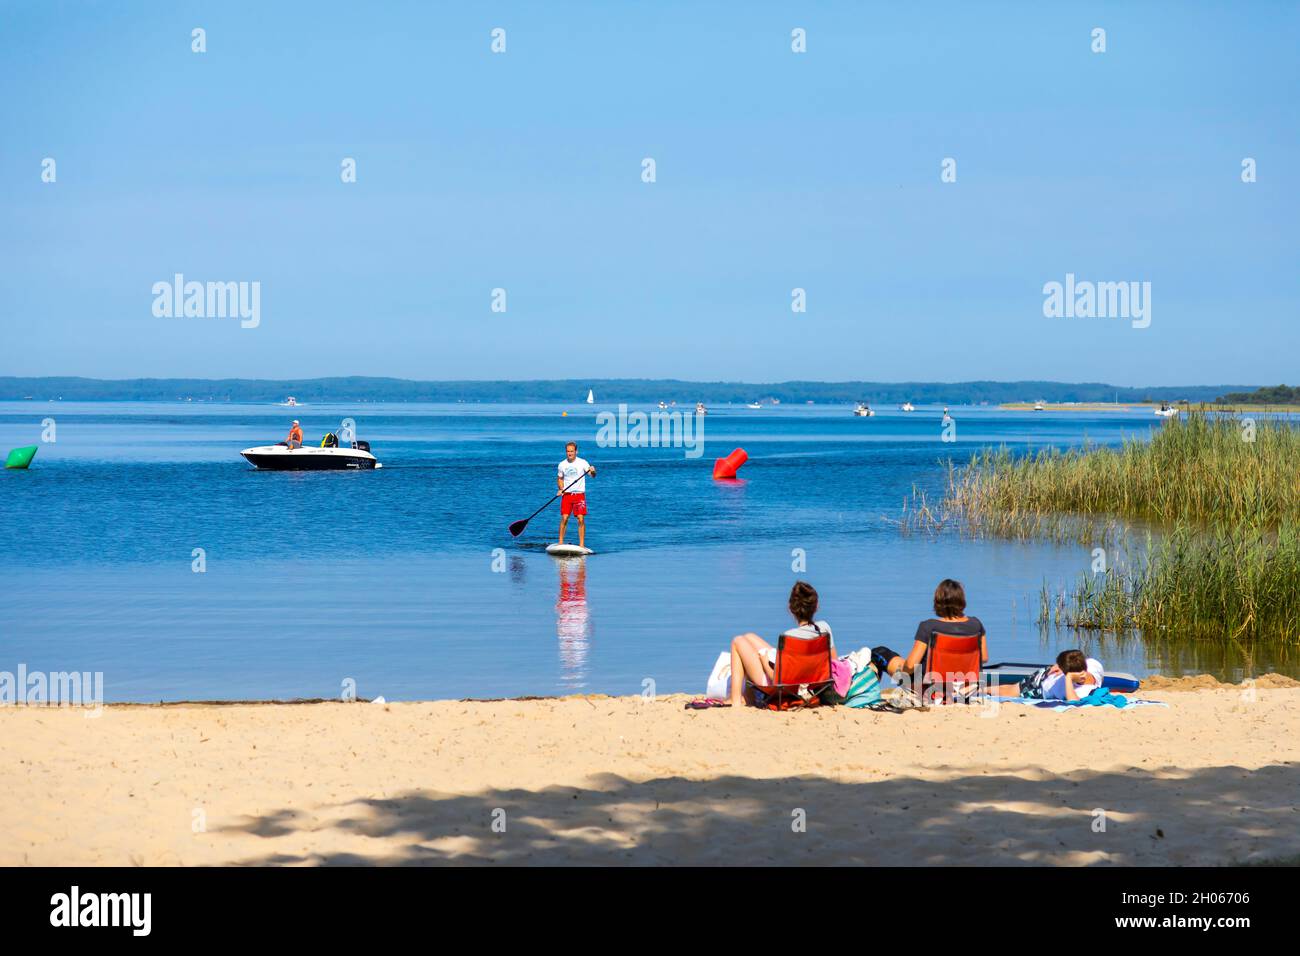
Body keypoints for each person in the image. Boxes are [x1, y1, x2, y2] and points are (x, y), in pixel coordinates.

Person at [727, 581, 837, 707]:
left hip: (787, 688)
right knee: (749, 637)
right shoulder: (824, 628)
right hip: (814, 682)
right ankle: (749, 699)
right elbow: (833, 662)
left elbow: (778, 681)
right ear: (816, 606)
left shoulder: (789, 636)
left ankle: (735, 701)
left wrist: (764, 662)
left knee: (738, 641)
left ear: (790, 609)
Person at [870, 578, 987, 693]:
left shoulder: (929, 627)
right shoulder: (976, 625)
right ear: (962, 601)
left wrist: (901, 669)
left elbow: (910, 666)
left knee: (879, 652)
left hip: (928, 689)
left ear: (938, 601)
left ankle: (871, 695)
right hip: (964, 687)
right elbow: (984, 658)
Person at [990, 649, 1105, 701]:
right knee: (1009, 691)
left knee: (1010, 689)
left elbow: (1073, 702)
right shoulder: (1093, 668)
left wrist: (1068, 676)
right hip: (1042, 684)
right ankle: (982, 689)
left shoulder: (1093, 666)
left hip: (1042, 683)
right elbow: (1073, 702)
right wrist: (1064, 671)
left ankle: (982, 688)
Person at [557, 441, 596, 548]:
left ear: (576, 451)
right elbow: (560, 478)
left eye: (571, 451)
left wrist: (593, 471)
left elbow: (592, 475)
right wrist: (561, 489)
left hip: (579, 495)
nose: (569, 453)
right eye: (568, 451)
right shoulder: (562, 464)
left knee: (580, 519)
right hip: (567, 495)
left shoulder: (583, 463)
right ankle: (560, 543)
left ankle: (582, 545)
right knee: (564, 518)